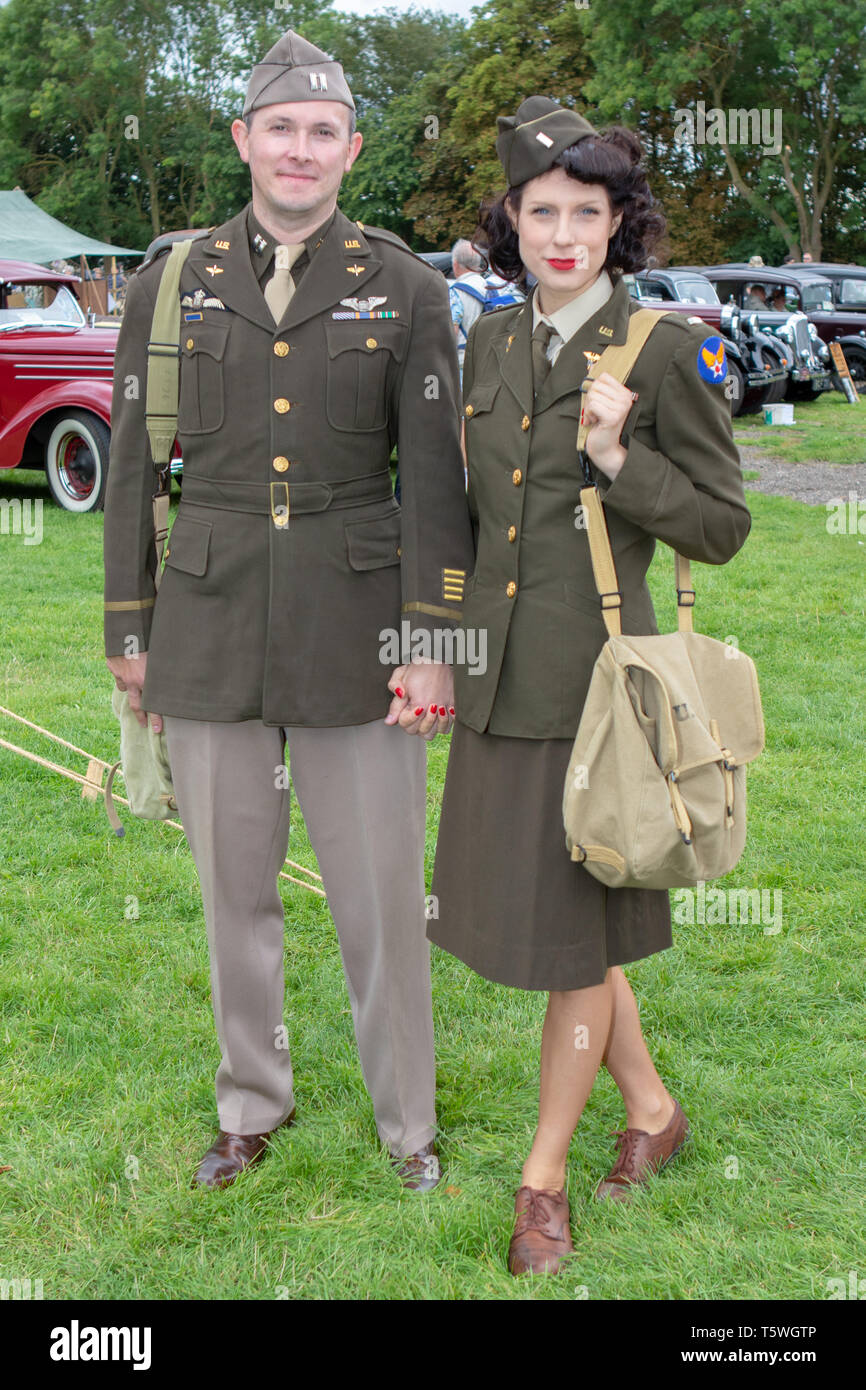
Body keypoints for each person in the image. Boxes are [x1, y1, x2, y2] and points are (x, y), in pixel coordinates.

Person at [104, 28, 473, 1193]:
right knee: (234, 894)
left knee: (377, 896)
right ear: (243, 140)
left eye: (322, 132)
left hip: (360, 629)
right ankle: (250, 1103)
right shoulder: (172, 281)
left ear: (350, 150)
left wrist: (433, 645)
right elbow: (129, 466)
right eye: (280, 128)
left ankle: (406, 1123)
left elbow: (438, 484)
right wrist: (130, 629)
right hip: (207, 622)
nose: (299, 150)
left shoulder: (405, 287)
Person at [425, 97, 751, 1275]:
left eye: (589, 212)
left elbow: (721, 526)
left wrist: (620, 458)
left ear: (622, 225)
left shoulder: (658, 349)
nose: (563, 233)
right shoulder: (491, 339)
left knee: (566, 944)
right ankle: (654, 1109)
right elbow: (471, 517)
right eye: (541, 210)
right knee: (572, 928)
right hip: (497, 690)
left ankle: (541, 1180)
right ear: (511, 220)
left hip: (597, 698)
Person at [449, 239, 489, 380]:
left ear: (455, 264)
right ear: (478, 264)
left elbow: (450, 333)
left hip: (463, 366)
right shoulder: (492, 288)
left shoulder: (454, 293)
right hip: (488, 363)